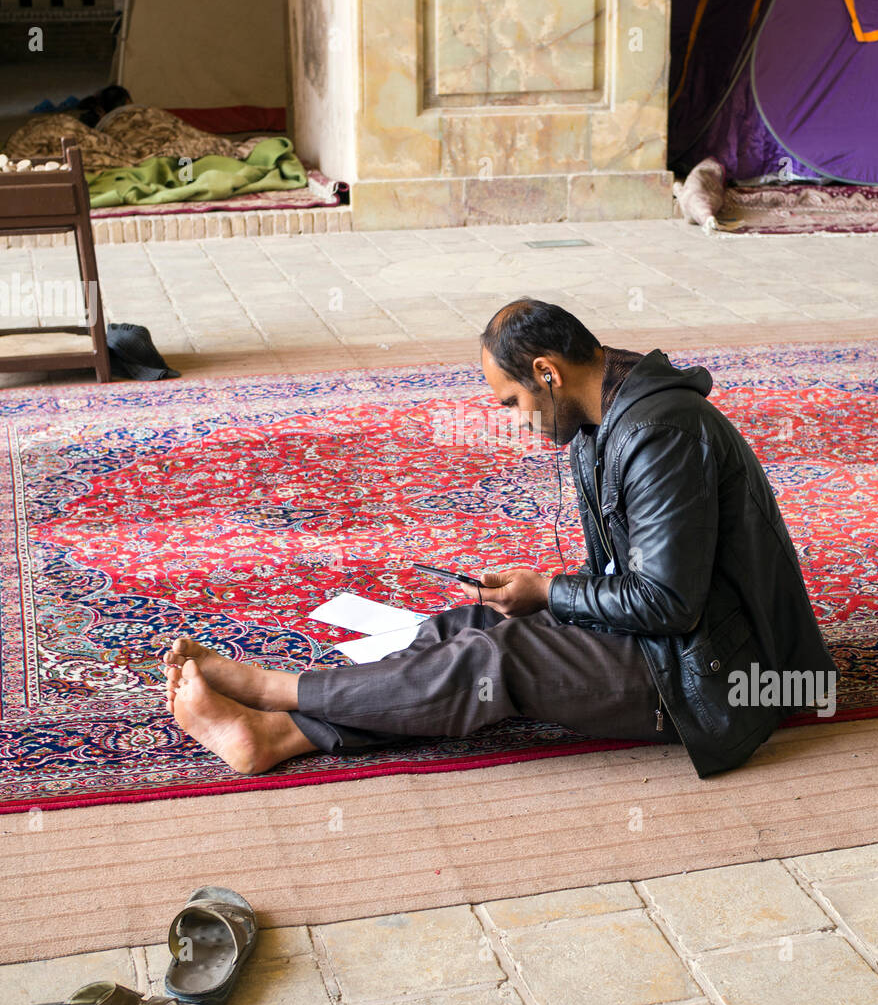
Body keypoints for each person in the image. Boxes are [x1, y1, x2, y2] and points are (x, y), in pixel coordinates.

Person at [164, 299, 837, 778]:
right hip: (683, 642)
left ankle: (276, 691)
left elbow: (666, 603)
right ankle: (276, 736)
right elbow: (628, 574)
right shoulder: (603, 417)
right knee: (464, 626)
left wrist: (549, 592)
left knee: (497, 656)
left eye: (512, 403)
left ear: (547, 373)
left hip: (718, 676)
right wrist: (540, 595)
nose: (516, 422)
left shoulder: (657, 435)